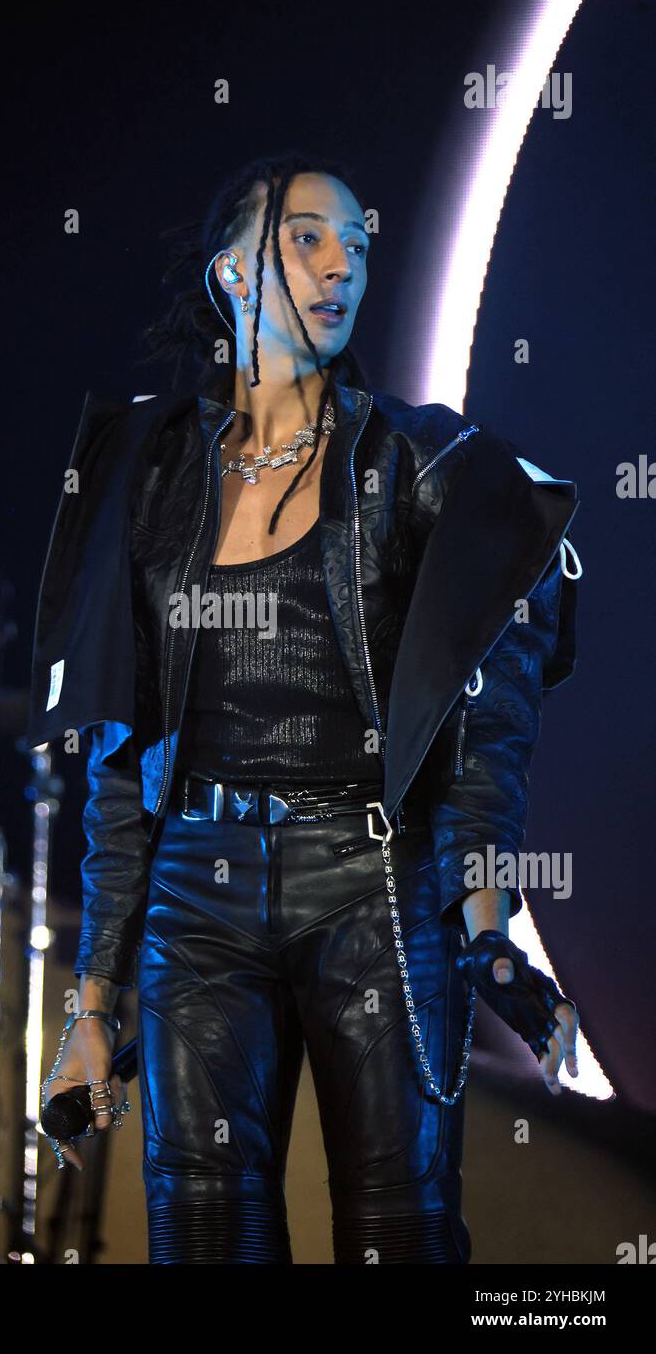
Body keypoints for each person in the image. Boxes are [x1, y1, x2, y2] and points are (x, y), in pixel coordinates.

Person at [29, 150, 583, 1264]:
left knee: (398, 1232)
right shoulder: (149, 471)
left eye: (359, 250)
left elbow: (484, 705)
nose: (341, 270)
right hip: (196, 889)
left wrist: (486, 925)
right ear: (233, 270)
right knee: (201, 1236)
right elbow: (117, 755)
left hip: (370, 885)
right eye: (307, 240)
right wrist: (91, 1007)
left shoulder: (418, 460)